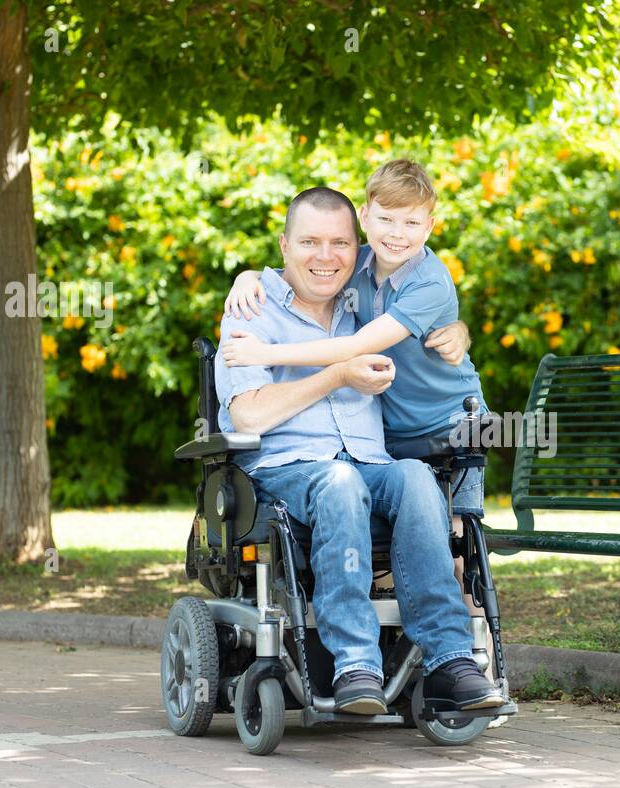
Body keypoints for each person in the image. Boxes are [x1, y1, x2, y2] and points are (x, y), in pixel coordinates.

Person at [213, 185, 502, 715]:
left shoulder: (363, 302)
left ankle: (451, 660)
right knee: (338, 481)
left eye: (339, 244)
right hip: (289, 474)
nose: (326, 257)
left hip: (372, 466)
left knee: (415, 476)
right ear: (283, 246)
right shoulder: (251, 314)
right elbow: (248, 413)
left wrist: (458, 329)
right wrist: (336, 375)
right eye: (310, 242)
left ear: (357, 246)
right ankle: (355, 664)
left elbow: (425, 316)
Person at [221, 159, 489, 520]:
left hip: (450, 424)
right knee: (395, 542)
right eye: (387, 220)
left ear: (429, 227)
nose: (397, 233)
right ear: (366, 219)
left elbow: (353, 347)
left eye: (411, 223)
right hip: (394, 434)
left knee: (455, 538)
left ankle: (455, 575)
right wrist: (247, 276)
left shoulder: (430, 281)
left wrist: (265, 352)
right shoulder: (357, 264)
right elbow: (302, 269)